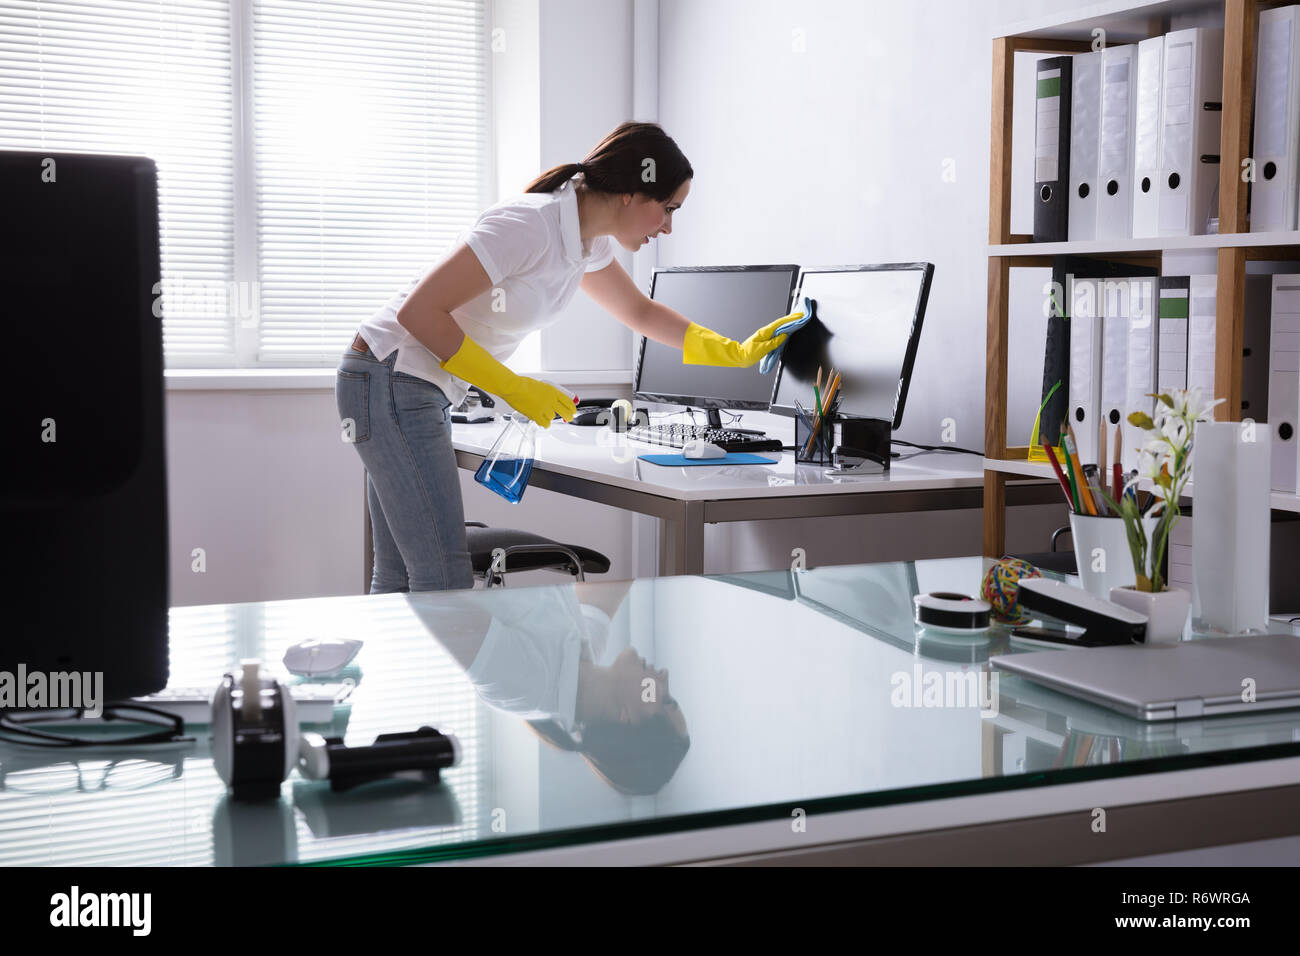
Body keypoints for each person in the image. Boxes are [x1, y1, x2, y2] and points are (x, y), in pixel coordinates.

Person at [337, 121, 800, 593]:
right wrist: (513, 388)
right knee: (442, 577)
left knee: (399, 574)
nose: (668, 226)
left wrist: (734, 352)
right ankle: (449, 670)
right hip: (390, 375)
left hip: (399, 382)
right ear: (631, 193)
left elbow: (639, 311)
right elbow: (420, 312)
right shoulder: (528, 224)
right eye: (668, 208)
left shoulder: (585, 241)